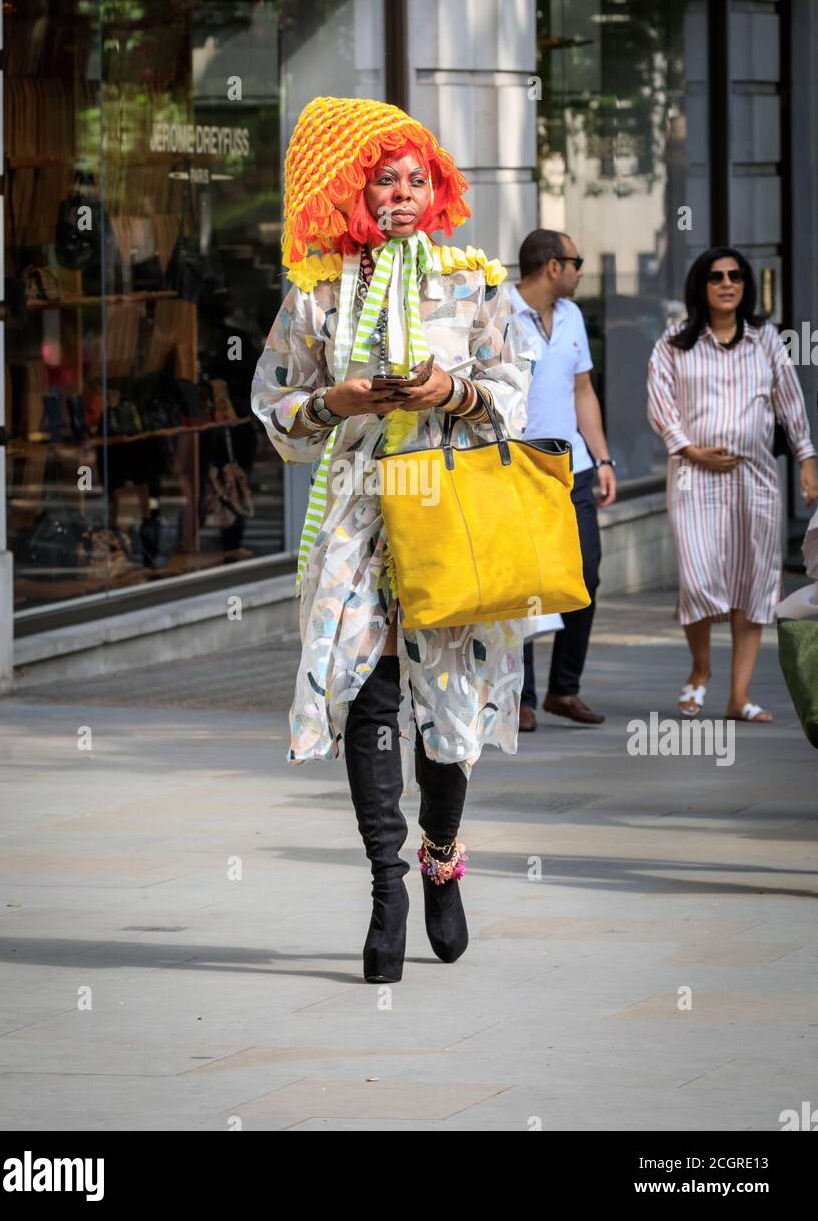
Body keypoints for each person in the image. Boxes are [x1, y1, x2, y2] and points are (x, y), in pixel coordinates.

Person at [250, 96, 534, 984]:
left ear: (435, 189)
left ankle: (440, 854)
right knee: (367, 698)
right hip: (358, 513)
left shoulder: (474, 278)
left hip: (446, 509)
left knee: (448, 712)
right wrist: (336, 402)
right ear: (356, 191)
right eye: (387, 180)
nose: (404, 193)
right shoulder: (317, 288)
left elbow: (514, 391)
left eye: (418, 179)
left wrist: (451, 391)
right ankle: (386, 889)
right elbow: (276, 409)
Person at [647, 246, 818, 722]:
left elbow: (791, 403)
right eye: (717, 276)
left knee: (753, 583)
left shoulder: (765, 340)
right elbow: (660, 402)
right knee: (699, 578)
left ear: (746, 285)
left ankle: (739, 696)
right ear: (701, 286)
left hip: (756, 477)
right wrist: (689, 448)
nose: (728, 283)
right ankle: (700, 670)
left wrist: (807, 459)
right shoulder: (675, 342)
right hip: (693, 476)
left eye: (737, 276)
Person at [506, 229, 617, 732]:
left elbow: (583, 392)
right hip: (519, 471)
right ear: (553, 265)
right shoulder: (497, 311)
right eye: (576, 261)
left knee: (585, 576)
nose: (580, 270)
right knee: (525, 584)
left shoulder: (571, 316)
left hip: (574, 470)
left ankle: (563, 690)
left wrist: (604, 457)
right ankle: (521, 696)